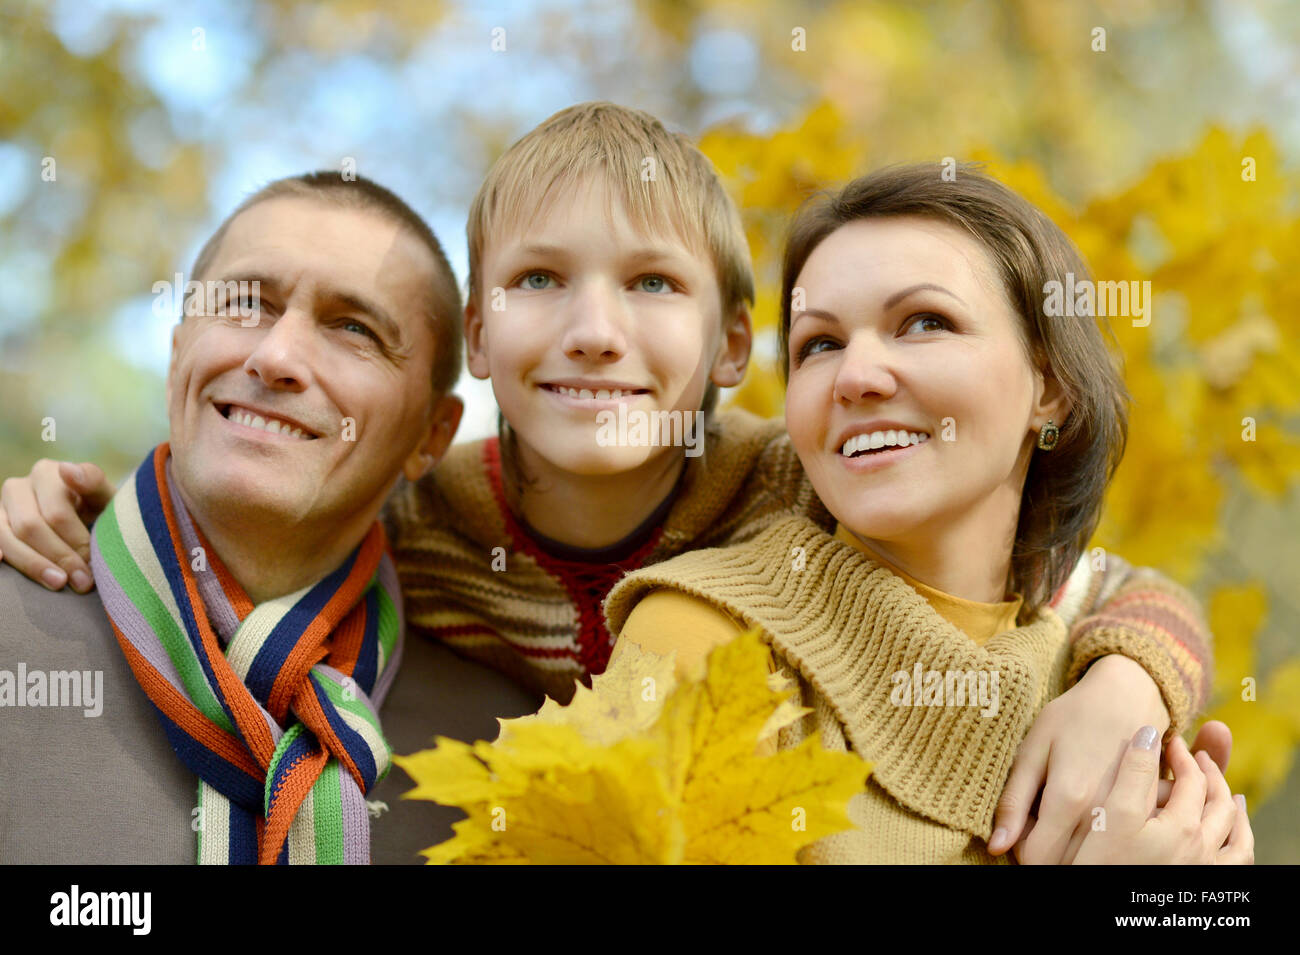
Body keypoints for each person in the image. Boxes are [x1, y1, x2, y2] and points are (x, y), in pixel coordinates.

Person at [1, 104, 1214, 863]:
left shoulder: (813, 488)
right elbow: (258, 498)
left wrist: (1127, 684)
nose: (592, 332)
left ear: (735, 352)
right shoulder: (415, 523)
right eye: (538, 282)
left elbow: (1084, 580)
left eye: (651, 285)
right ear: (478, 346)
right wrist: (90, 512)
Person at [604, 163, 1252, 864]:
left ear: (1052, 387)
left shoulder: (1104, 686)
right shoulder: (704, 643)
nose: (855, 376)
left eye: (923, 322)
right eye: (819, 344)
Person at [0, 172, 540, 864]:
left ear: (432, 436)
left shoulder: (505, 743)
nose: (276, 356)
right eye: (245, 302)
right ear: (176, 357)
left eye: (354, 328)